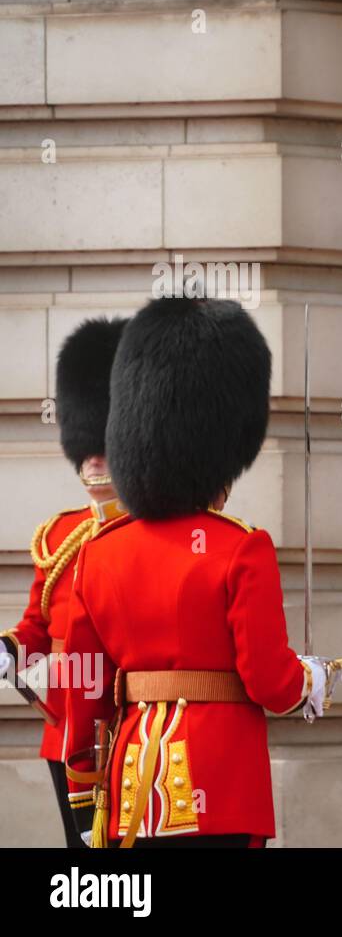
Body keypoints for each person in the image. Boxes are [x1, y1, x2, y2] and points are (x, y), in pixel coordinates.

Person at [60, 295, 342, 848]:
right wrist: (314, 679)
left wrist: (85, 787)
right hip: (221, 785)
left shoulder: (98, 553)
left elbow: (83, 687)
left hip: (131, 789)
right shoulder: (241, 548)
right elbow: (270, 680)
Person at [0, 318, 128, 847]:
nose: (94, 458)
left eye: (106, 443)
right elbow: (36, 627)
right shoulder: (60, 534)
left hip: (127, 727)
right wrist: (9, 653)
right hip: (66, 732)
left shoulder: (153, 532)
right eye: (87, 445)